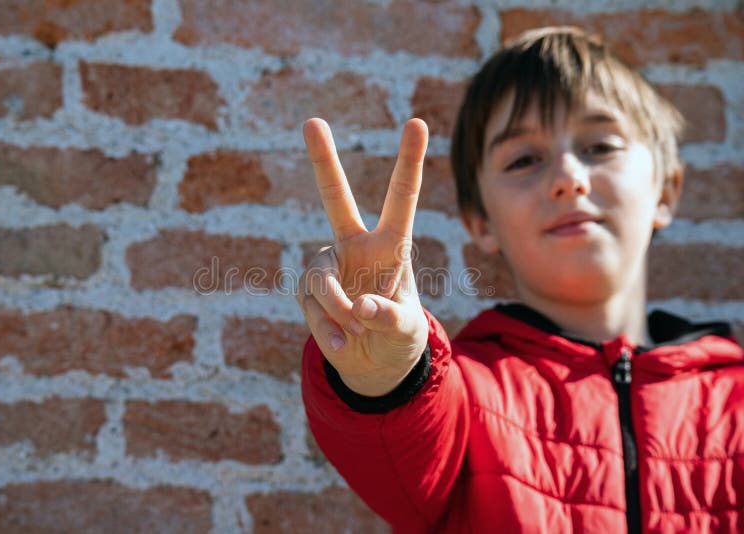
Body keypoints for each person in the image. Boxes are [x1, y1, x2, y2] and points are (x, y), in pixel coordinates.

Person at [295, 27, 744, 533]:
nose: (568, 177)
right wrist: (384, 376)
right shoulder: (462, 397)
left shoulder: (736, 400)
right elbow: (397, 446)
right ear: (480, 220)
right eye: (524, 159)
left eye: (601, 145)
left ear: (667, 188)